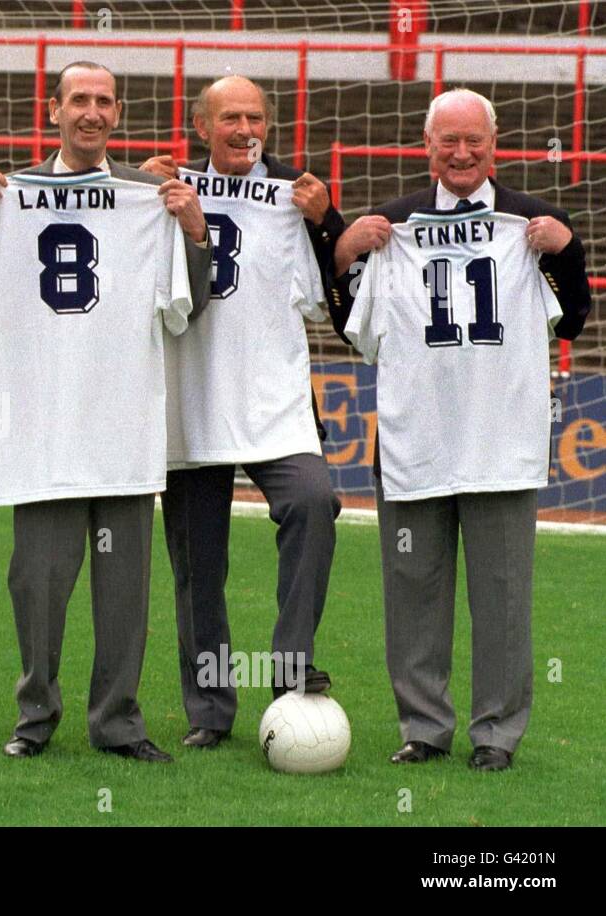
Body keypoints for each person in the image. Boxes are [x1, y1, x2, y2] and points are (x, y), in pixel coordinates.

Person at [0, 61, 213, 762]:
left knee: (124, 595)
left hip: (121, 424)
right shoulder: (4, 196)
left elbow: (188, 310)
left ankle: (118, 723)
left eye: (104, 102)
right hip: (40, 424)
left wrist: (195, 234)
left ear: (118, 114)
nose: (92, 112)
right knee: (39, 584)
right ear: (53, 110)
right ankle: (35, 717)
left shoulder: (150, 197)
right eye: (79, 100)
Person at [332, 88, 592, 771]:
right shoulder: (392, 226)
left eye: (473, 139)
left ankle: (497, 735)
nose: (461, 152)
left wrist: (565, 255)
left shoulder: (535, 223)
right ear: (427, 146)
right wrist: (344, 255)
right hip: (416, 440)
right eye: (448, 140)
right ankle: (423, 727)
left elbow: (577, 318)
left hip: (501, 442)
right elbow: (350, 326)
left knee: (503, 597)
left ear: (494, 142)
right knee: (412, 590)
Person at [137, 76, 344, 750]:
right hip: (192, 400)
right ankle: (209, 710)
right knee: (199, 564)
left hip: (275, 403)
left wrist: (327, 222)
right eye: (230, 116)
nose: (244, 127)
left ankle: (291, 667)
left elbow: (336, 300)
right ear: (202, 126)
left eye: (255, 115)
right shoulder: (166, 189)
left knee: (314, 503)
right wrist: (135, 194)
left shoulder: (296, 197)